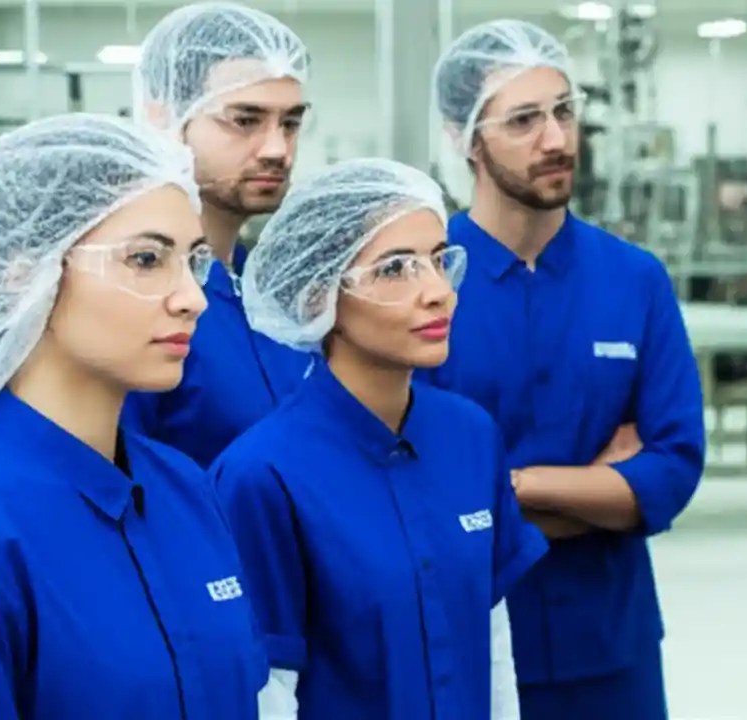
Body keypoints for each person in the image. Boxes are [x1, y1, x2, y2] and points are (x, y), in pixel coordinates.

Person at [0, 114, 265, 719]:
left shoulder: (184, 488)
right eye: (147, 259)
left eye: (193, 260)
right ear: (30, 277)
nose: (192, 297)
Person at [427, 20, 707, 719]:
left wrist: (511, 489)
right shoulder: (425, 282)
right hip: (467, 641)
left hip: (611, 648)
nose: (556, 139)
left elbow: (670, 470)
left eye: (563, 111)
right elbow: (417, 488)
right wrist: (596, 491)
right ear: (468, 138)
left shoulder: (634, 280)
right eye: (523, 120)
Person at [210, 158, 549, 719]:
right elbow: (267, 692)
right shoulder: (262, 476)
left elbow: (492, 639)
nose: (438, 291)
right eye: (396, 269)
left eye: (439, 260)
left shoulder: (470, 436)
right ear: (318, 295)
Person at [124, 1, 314, 467]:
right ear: (164, 119)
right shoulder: (137, 296)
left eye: (290, 123)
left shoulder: (267, 291)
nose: (277, 149)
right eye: (244, 120)